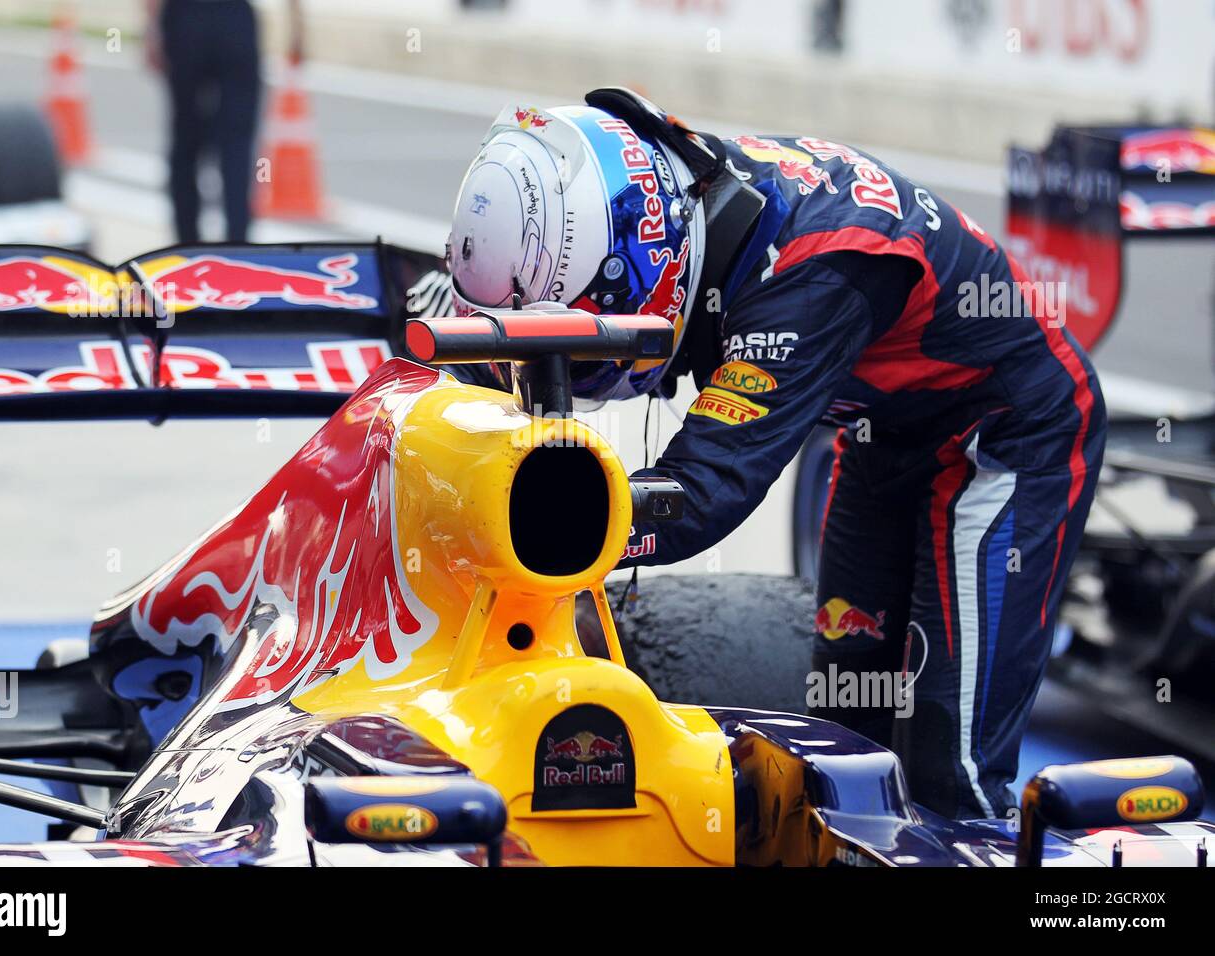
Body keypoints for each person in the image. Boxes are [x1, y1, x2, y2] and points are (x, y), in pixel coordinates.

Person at [442, 91, 1106, 820]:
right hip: (882, 435)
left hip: (1009, 436)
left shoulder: (809, 273)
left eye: (582, 311)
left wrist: (534, 527)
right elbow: (474, 355)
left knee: (948, 762)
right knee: (847, 735)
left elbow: (705, 490)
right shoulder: (670, 191)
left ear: (634, 260)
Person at [144, 0, 304, 242]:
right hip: (233, 20)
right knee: (237, 142)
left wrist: (151, 29)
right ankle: (238, 239)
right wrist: (296, 26)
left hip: (186, 21)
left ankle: (187, 242)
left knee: (187, 138)